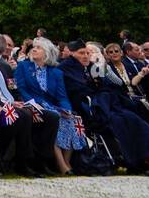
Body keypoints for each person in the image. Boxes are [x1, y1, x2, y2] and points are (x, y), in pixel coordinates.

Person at [0, 29, 59, 176]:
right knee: (23, 115)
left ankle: (42, 160)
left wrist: (20, 101)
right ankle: (20, 161)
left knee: (51, 117)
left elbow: (13, 88)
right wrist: (6, 104)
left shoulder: (4, 66)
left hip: (15, 104)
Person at [62, 41, 149, 171]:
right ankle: (131, 161)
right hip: (89, 108)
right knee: (117, 122)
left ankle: (143, 159)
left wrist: (102, 93)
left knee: (134, 119)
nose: (86, 56)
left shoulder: (93, 67)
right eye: (81, 53)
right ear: (72, 54)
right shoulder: (66, 69)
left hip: (105, 104)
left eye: (87, 53)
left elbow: (104, 86)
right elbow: (76, 91)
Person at [14, 37, 83, 174]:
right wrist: (35, 105)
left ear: (47, 53)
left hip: (51, 106)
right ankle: (60, 165)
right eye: (34, 47)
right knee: (55, 118)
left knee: (72, 119)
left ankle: (66, 162)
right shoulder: (23, 66)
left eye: (38, 48)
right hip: (33, 104)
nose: (34, 49)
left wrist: (67, 109)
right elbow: (21, 89)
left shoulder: (56, 72)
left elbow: (62, 96)